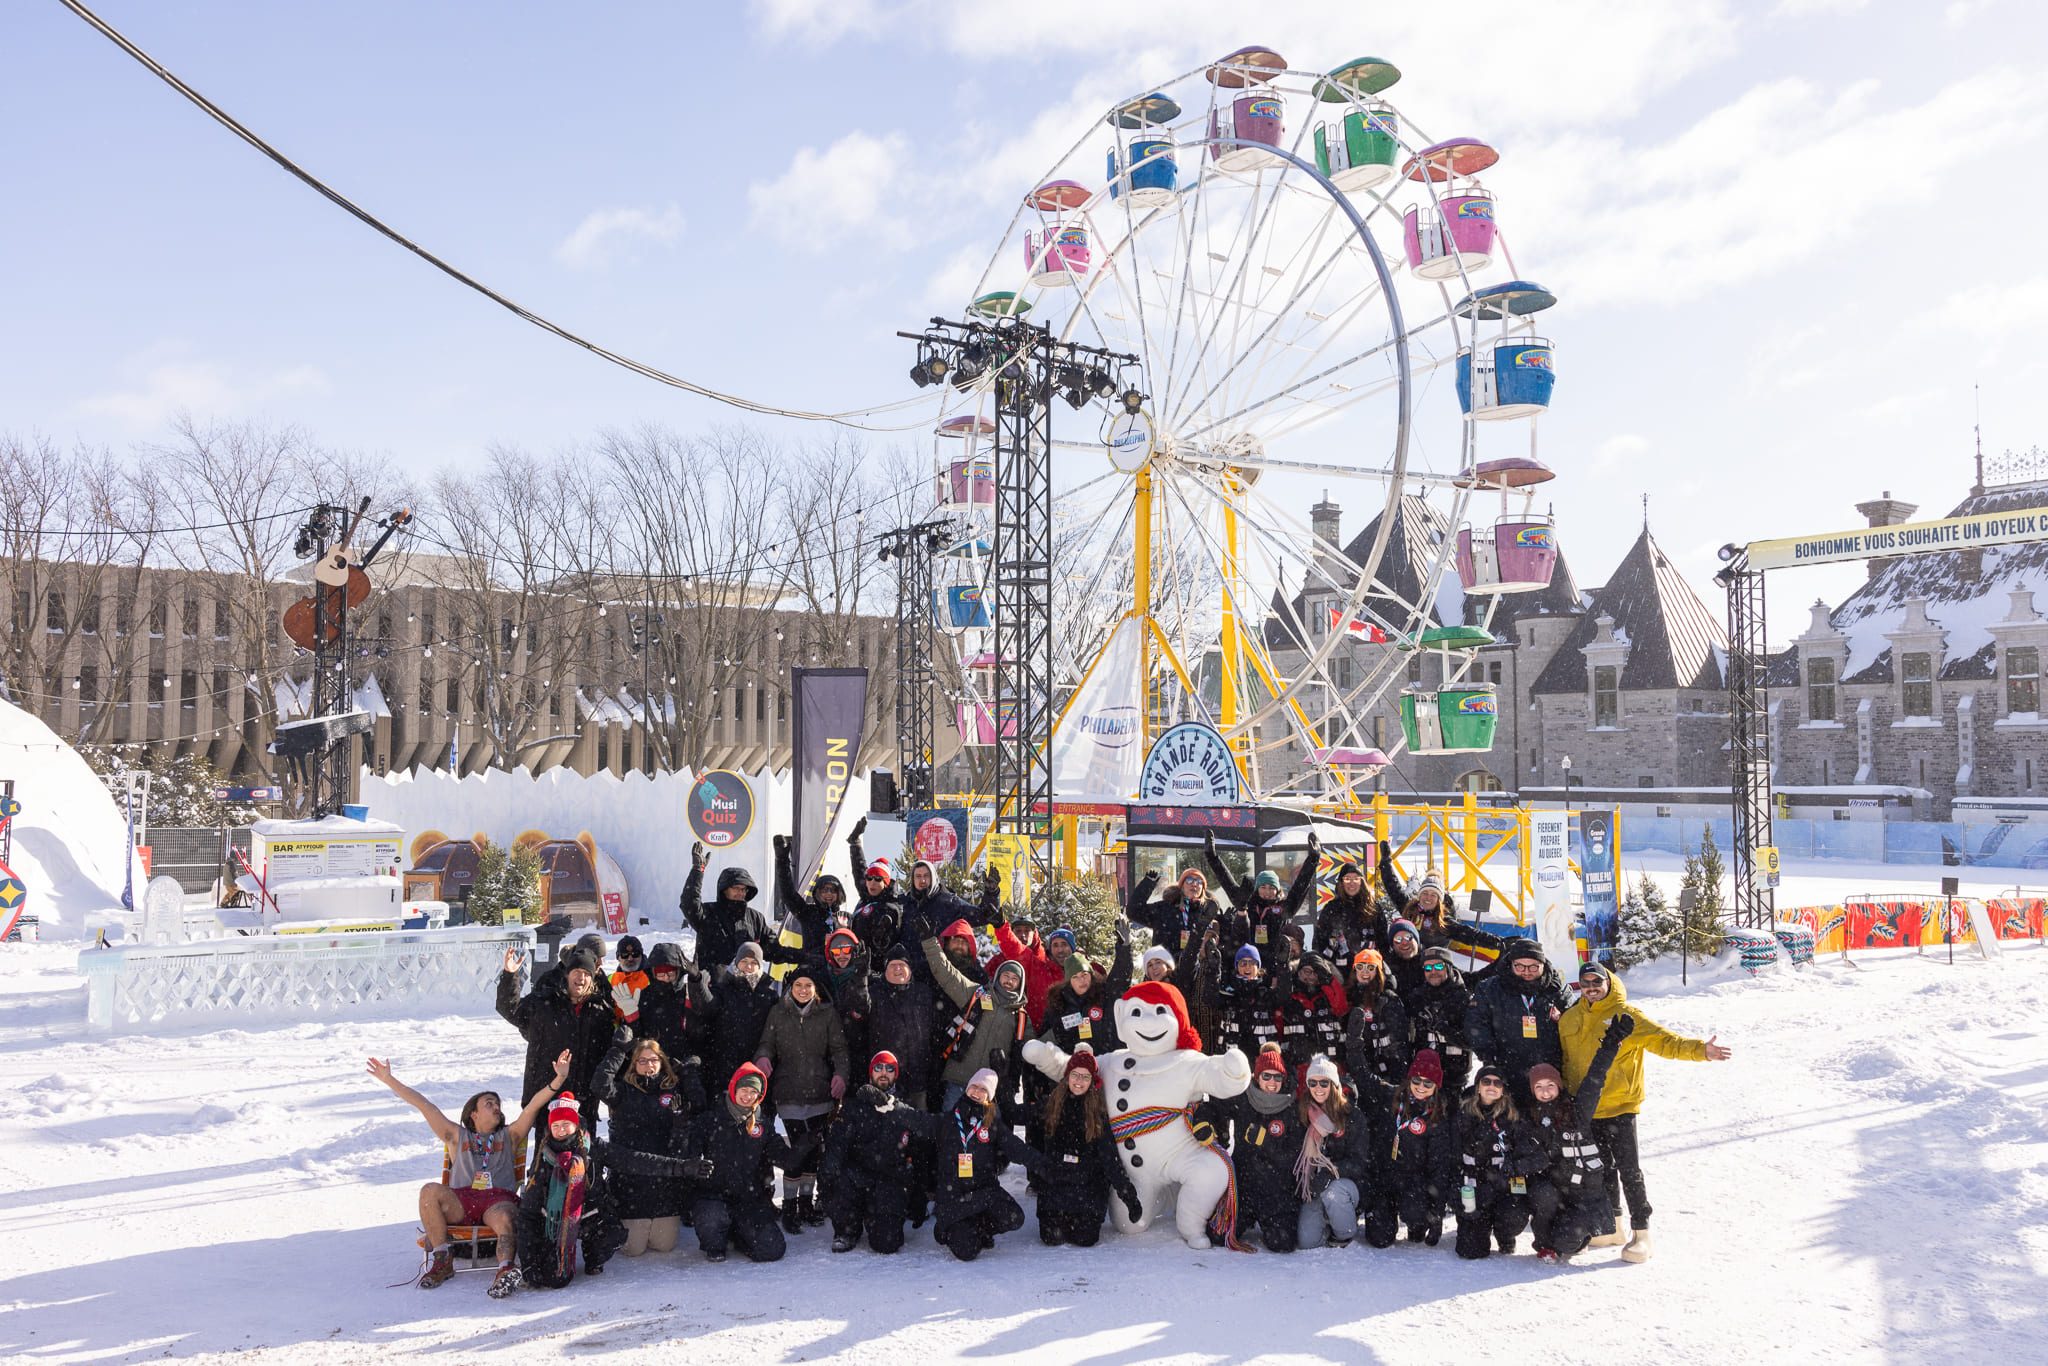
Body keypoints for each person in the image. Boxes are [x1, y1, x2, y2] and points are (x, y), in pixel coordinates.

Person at [1559, 960, 1733, 1263]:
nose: (1591, 989)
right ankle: (1612, 1227)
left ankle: (1642, 1234)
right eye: (1585, 984)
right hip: (1586, 1108)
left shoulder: (1627, 1016)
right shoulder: (1569, 1019)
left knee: (1630, 1172)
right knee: (1598, 1171)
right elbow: (1564, 1061)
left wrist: (1701, 1050)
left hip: (1621, 1106)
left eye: (1596, 983)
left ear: (1608, 984)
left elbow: (1665, 1042)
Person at [369, 1050, 568, 1295]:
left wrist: (558, 1079)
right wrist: (389, 1080)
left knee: (506, 1217)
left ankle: (505, 1270)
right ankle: (443, 1261)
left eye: (497, 1104)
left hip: (497, 1201)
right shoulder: (456, 1135)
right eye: (489, 1104)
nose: (496, 1107)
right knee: (429, 1191)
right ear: (473, 1113)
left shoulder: (510, 1135)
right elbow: (424, 1105)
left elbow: (533, 1107)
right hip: (461, 1200)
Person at [895, 1068, 1046, 1261]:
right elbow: (917, 1120)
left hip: (981, 1194)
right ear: (966, 1088)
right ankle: (947, 1226)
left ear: (989, 1097)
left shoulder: (993, 1126)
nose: (976, 1091)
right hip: (953, 1199)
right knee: (967, 1251)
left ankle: (975, 1228)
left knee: (1014, 1217)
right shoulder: (948, 1121)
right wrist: (891, 1105)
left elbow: (1019, 1150)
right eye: (973, 1086)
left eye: (983, 1089)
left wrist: (1046, 1166)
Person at [1526, 1014, 1633, 1263]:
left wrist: (1611, 1044)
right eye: (1538, 1087)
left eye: (1550, 1085)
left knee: (1568, 1241)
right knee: (1542, 1195)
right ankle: (1543, 1242)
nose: (1545, 1091)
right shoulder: (1529, 1117)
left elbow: (1595, 1078)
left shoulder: (1577, 1111)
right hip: (1554, 1191)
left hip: (1583, 1193)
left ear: (1559, 1086)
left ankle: (1577, 1233)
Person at [753, 963, 851, 1234]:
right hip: (789, 1092)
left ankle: (807, 1203)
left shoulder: (827, 1013)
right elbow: (766, 1044)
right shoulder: (778, 1012)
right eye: (798, 985)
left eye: (808, 985)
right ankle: (789, 1206)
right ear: (790, 988)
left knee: (814, 1153)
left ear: (815, 989)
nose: (803, 990)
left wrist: (841, 1075)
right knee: (796, 1151)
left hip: (821, 1093)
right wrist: (762, 1057)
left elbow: (840, 1049)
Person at [591, 1028, 704, 1258]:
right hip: (630, 1179)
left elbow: (699, 1103)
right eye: (642, 1061)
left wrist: (690, 1074)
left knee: (665, 1244)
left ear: (662, 1062)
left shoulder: (673, 1091)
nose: (648, 1065)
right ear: (634, 1064)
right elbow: (599, 1085)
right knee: (633, 1248)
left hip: (664, 1182)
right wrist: (618, 1051)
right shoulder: (623, 1091)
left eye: (653, 1060)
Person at [512, 1090, 624, 1291]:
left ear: (577, 1126)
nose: (561, 1130)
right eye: (556, 1126)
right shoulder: (543, 1160)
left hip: (591, 1217)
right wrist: (528, 1262)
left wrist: (681, 1167)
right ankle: (557, 1253)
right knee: (553, 1280)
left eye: (566, 1124)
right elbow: (527, 1215)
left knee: (610, 1234)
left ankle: (593, 1256)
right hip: (553, 1223)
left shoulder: (595, 1149)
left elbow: (635, 1161)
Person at [1033, 1049, 1143, 1247]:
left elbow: (1110, 1159)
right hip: (1057, 1183)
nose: (1079, 1081)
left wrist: (1129, 1196)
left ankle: (1079, 1217)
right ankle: (1059, 1216)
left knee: (1085, 1239)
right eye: (1075, 1074)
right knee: (1052, 1237)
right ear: (1067, 1076)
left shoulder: (1097, 1114)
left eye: (1085, 1077)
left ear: (1092, 1081)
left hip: (1086, 1187)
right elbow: (1017, 1115)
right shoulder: (1052, 1105)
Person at [681, 1063, 789, 1263]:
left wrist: (805, 1146)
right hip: (712, 1195)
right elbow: (689, 1153)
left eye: (753, 1092)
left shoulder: (762, 1125)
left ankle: (739, 1234)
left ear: (759, 1096)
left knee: (772, 1250)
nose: (747, 1096)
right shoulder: (710, 1119)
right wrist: (696, 1165)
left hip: (747, 1197)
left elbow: (783, 1158)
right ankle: (717, 1241)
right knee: (712, 1223)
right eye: (744, 1090)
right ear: (734, 1089)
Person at [923, 913, 1029, 1114]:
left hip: (989, 1088)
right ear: (997, 977)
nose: (1008, 981)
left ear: (1020, 985)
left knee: (984, 1141)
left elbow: (1031, 1050)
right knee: (949, 1133)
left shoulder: (1021, 1017)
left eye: (1014, 979)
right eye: (1005, 975)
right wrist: (929, 942)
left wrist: (1006, 1070)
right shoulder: (977, 994)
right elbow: (947, 974)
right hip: (958, 1080)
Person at [822, 1052, 923, 1253]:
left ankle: (875, 1217)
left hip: (889, 1178)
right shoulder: (854, 1105)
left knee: (887, 1244)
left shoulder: (905, 1107)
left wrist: (917, 1196)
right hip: (857, 1175)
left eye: (889, 1069)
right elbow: (837, 1143)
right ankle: (847, 1230)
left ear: (896, 1074)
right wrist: (827, 1179)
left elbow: (919, 1152)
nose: (883, 1073)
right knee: (839, 1176)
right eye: (878, 1068)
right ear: (870, 1073)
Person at [496, 945, 614, 1115]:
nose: (581, 977)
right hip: (546, 1095)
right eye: (577, 972)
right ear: (567, 975)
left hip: (584, 1101)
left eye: (587, 974)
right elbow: (510, 1009)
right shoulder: (546, 1001)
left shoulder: (600, 1010)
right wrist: (509, 976)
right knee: (547, 1141)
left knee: (585, 1142)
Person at [1360, 1049, 1455, 1248]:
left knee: (1416, 1216)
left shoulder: (1437, 1116)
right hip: (1383, 1179)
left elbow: (1440, 1168)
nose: (1421, 1087)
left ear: (1436, 1086)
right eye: (1416, 1081)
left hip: (1413, 1183)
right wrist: (1354, 1043)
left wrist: (1436, 1213)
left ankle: (1417, 1224)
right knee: (1379, 1238)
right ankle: (1383, 1216)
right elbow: (1363, 1074)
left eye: (1428, 1083)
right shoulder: (1390, 1095)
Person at [1450, 1063, 1545, 1260]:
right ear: (1478, 1086)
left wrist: (1515, 1167)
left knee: (1513, 1216)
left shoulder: (1513, 1117)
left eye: (1497, 1082)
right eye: (1486, 1081)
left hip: (1504, 1186)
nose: (1491, 1086)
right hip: (1474, 1186)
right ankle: (1478, 1228)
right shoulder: (1462, 1115)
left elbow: (1538, 1157)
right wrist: (1456, 1195)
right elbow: (1451, 1157)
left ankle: (1505, 1235)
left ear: (1503, 1089)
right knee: (1470, 1250)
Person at [1464, 939, 1570, 1101]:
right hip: (1506, 1067)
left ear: (1543, 964)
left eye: (1534, 966)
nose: (1526, 971)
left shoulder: (1558, 989)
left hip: (1547, 1072)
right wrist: (1490, 1057)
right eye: (1519, 966)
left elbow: (1575, 1022)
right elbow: (1476, 1023)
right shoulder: (1490, 989)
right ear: (1511, 964)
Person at [1223, 1045, 1302, 1252]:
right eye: (1267, 1076)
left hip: (1276, 1193)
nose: (1272, 1083)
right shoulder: (1242, 1097)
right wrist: (1205, 1122)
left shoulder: (1292, 1106)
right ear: (1257, 1076)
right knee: (1217, 1235)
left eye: (1277, 1078)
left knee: (1282, 1243)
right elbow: (1215, 1106)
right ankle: (1246, 1219)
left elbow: (1292, 1158)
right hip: (1245, 1190)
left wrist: (1266, 1142)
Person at [1293, 1054, 1372, 1250]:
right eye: (1312, 1082)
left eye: (1324, 1083)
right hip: (1314, 1187)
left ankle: (1344, 1233)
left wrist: (1330, 1172)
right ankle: (1325, 1220)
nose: (1318, 1088)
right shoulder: (1304, 1112)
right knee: (1307, 1241)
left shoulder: (1351, 1115)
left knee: (1333, 1193)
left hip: (1345, 1184)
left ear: (1334, 1085)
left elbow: (1359, 1163)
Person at [1203, 831, 1320, 959]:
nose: (1267, 891)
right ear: (1257, 889)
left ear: (1278, 890)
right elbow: (1226, 880)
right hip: (1249, 960)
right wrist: (1212, 856)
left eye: (1271, 888)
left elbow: (1300, 886)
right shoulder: (1247, 902)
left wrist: (1313, 859)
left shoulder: (1285, 907)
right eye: (1263, 887)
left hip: (1275, 960)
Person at [1379, 846, 1503, 960]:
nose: (1428, 898)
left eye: (1433, 895)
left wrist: (1500, 943)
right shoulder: (1410, 910)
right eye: (1425, 893)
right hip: (1410, 965)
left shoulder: (1444, 922)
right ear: (1419, 895)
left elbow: (1473, 935)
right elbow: (1393, 887)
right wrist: (1386, 862)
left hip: (1434, 967)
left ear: (1439, 900)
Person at [1038, 923, 1133, 1058]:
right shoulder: (1059, 1004)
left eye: (1084, 975)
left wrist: (1124, 948)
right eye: (1075, 977)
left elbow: (1121, 976)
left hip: (1110, 1063)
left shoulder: (1105, 994)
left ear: (1091, 975)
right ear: (1069, 982)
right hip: (1079, 1071)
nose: (1081, 981)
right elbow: (1048, 1041)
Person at [681, 843, 770, 971]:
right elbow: (689, 903)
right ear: (724, 890)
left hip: (745, 985)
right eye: (736, 888)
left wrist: (802, 955)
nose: (740, 892)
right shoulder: (708, 913)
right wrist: (697, 870)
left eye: (744, 889)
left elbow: (774, 949)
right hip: (711, 986)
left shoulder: (755, 918)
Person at [865, 945, 934, 1111]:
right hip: (886, 1077)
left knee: (918, 1127)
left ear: (910, 969)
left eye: (902, 965)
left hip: (918, 1077)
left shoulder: (924, 993)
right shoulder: (874, 993)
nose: (897, 969)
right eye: (892, 965)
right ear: (885, 970)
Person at [705, 941, 778, 1094]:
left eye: (753, 962)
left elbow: (776, 1029)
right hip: (725, 1064)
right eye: (744, 962)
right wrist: (697, 983)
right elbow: (706, 1007)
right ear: (737, 963)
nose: (749, 967)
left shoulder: (769, 993)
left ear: (760, 965)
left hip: (757, 1063)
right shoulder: (723, 988)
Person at [771, 832, 849, 973]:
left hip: (839, 974)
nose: (828, 895)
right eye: (824, 890)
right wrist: (782, 860)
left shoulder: (847, 917)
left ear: (839, 894)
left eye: (832, 891)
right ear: (817, 894)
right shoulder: (808, 913)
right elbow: (788, 894)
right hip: (811, 973)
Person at [1403, 946, 1474, 1094]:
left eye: (1439, 966)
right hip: (1423, 1076)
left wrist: (1445, 1030)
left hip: (1453, 1076)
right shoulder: (1417, 997)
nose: (1433, 971)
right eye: (1428, 968)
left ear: (1448, 967)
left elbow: (1473, 1041)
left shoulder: (1463, 998)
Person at [1200, 941, 1283, 1062]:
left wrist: (1283, 965)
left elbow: (1283, 996)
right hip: (1231, 1057)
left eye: (1252, 963)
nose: (1247, 967)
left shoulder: (1266, 994)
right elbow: (1209, 999)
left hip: (1262, 1060)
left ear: (1258, 967)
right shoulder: (1230, 993)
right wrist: (1213, 970)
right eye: (1243, 963)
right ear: (1237, 967)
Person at [635, 941, 715, 1065]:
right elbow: (637, 1031)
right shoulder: (644, 996)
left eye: (671, 974)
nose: (666, 978)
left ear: (678, 973)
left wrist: (696, 980)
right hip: (653, 1063)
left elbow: (706, 1013)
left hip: (686, 1061)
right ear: (653, 974)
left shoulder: (688, 992)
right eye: (661, 974)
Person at [1342, 948, 1411, 1088]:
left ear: (1378, 971)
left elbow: (1400, 1039)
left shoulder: (1387, 998)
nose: (1365, 971)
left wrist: (1396, 1073)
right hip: (1356, 1066)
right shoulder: (1349, 995)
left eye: (1370, 967)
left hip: (1384, 1069)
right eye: (1360, 966)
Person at [1276, 951, 1348, 1077]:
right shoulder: (1290, 997)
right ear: (1298, 972)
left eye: (1315, 972)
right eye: (1306, 971)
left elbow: (1341, 1008)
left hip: (1330, 1067)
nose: (1310, 977)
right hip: (1298, 1069)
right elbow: (1278, 1027)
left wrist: (1328, 979)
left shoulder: (1328, 995)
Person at [1127, 866, 1222, 958]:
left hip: (1196, 971)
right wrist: (1147, 884)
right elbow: (1134, 911)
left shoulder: (1208, 914)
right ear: (1181, 887)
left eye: (1199, 881)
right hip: (1164, 968)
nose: (1194, 884)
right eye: (1189, 880)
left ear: (1203, 889)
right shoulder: (1165, 908)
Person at [1313, 858, 1391, 963]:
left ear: (1362, 881)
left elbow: (1383, 942)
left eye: (1356, 878)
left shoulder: (1373, 908)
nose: (1352, 883)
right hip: (1338, 970)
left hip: (1368, 969)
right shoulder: (1331, 908)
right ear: (1341, 882)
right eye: (1347, 879)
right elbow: (1319, 941)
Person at [847, 817, 902, 955]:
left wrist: (881, 938)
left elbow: (889, 945)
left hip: (877, 967)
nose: (872, 882)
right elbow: (859, 869)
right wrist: (855, 842)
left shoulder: (891, 907)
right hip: (857, 960)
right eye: (869, 878)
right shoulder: (867, 895)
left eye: (878, 879)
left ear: (886, 883)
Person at [822, 928, 873, 1067]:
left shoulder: (868, 977)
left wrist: (860, 977)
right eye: (837, 952)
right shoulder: (824, 979)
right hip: (831, 1055)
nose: (841, 955)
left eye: (846, 950)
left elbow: (864, 1009)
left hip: (859, 1053)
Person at [606, 936, 650, 1026]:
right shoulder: (609, 980)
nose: (630, 958)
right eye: (625, 955)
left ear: (641, 955)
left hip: (644, 1035)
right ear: (618, 958)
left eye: (635, 954)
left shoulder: (652, 977)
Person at [1385, 918, 1426, 993]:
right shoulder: (1387, 968)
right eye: (1398, 939)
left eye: (1408, 937)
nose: (1404, 943)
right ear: (1393, 946)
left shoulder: (1430, 960)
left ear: (1416, 940)